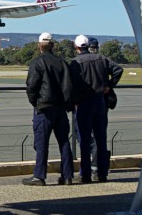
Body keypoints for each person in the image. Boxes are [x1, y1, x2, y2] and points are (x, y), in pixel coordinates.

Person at [23, 32, 75, 186]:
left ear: (39, 45)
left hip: (44, 108)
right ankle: (67, 176)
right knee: (64, 142)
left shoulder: (37, 63)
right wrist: (67, 105)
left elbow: (31, 86)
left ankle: (39, 176)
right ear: (53, 45)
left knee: (41, 144)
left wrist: (35, 103)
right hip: (60, 108)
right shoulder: (62, 62)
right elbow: (68, 86)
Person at [69, 35, 123, 183]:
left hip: (84, 102)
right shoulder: (101, 59)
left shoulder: (76, 62)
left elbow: (73, 84)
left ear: (77, 47)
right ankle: (101, 173)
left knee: (85, 140)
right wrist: (109, 85)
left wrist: (74, 100)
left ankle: (85, 174)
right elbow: (118, 69)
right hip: (100, 100)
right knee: (101, 139)